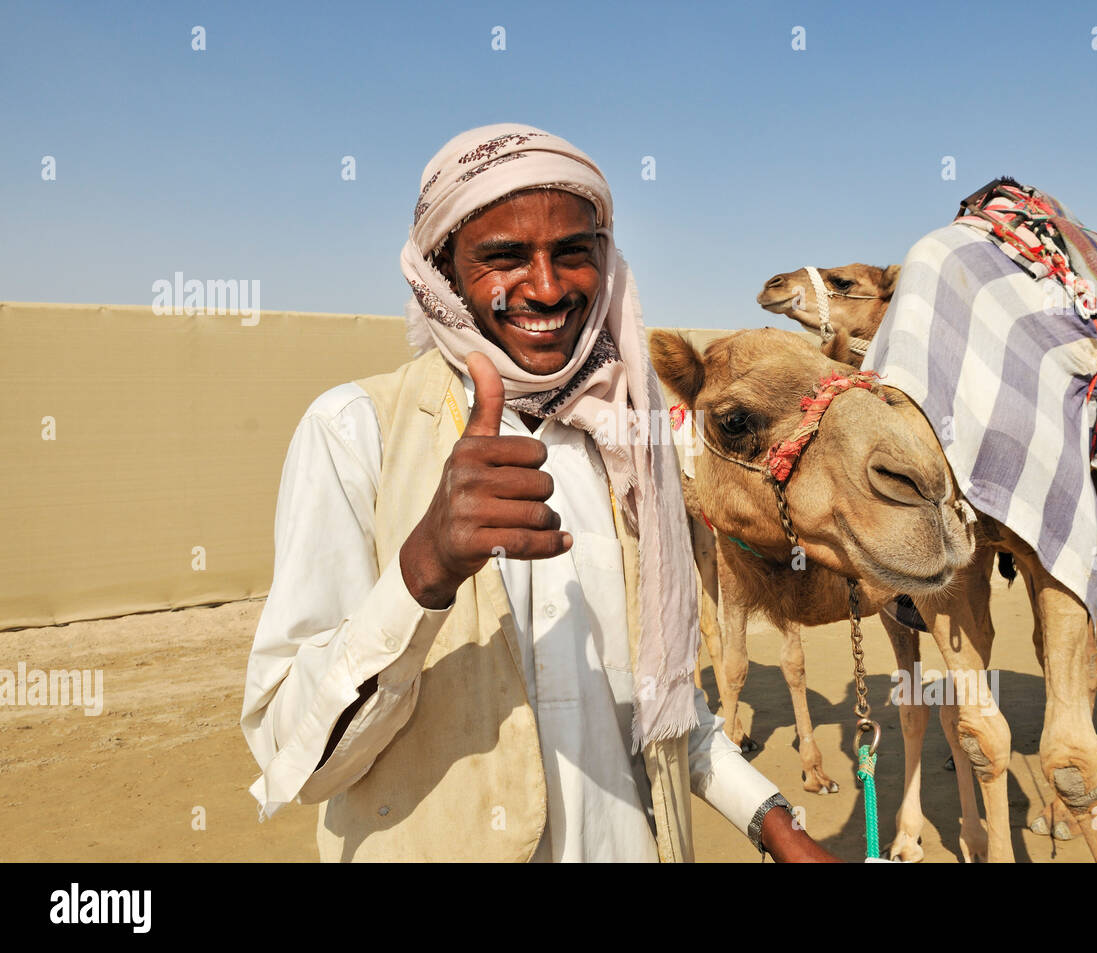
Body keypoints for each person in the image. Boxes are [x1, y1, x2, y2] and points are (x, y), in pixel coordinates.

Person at [240, 123, 839, 862]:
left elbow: (655, 699)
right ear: (443, 270)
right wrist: (422, 570)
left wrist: (774, 822)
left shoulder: (628, 448)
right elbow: (290, 752)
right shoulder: (356, 433)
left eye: (572, 253)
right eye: (503, 258)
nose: (549, 288)